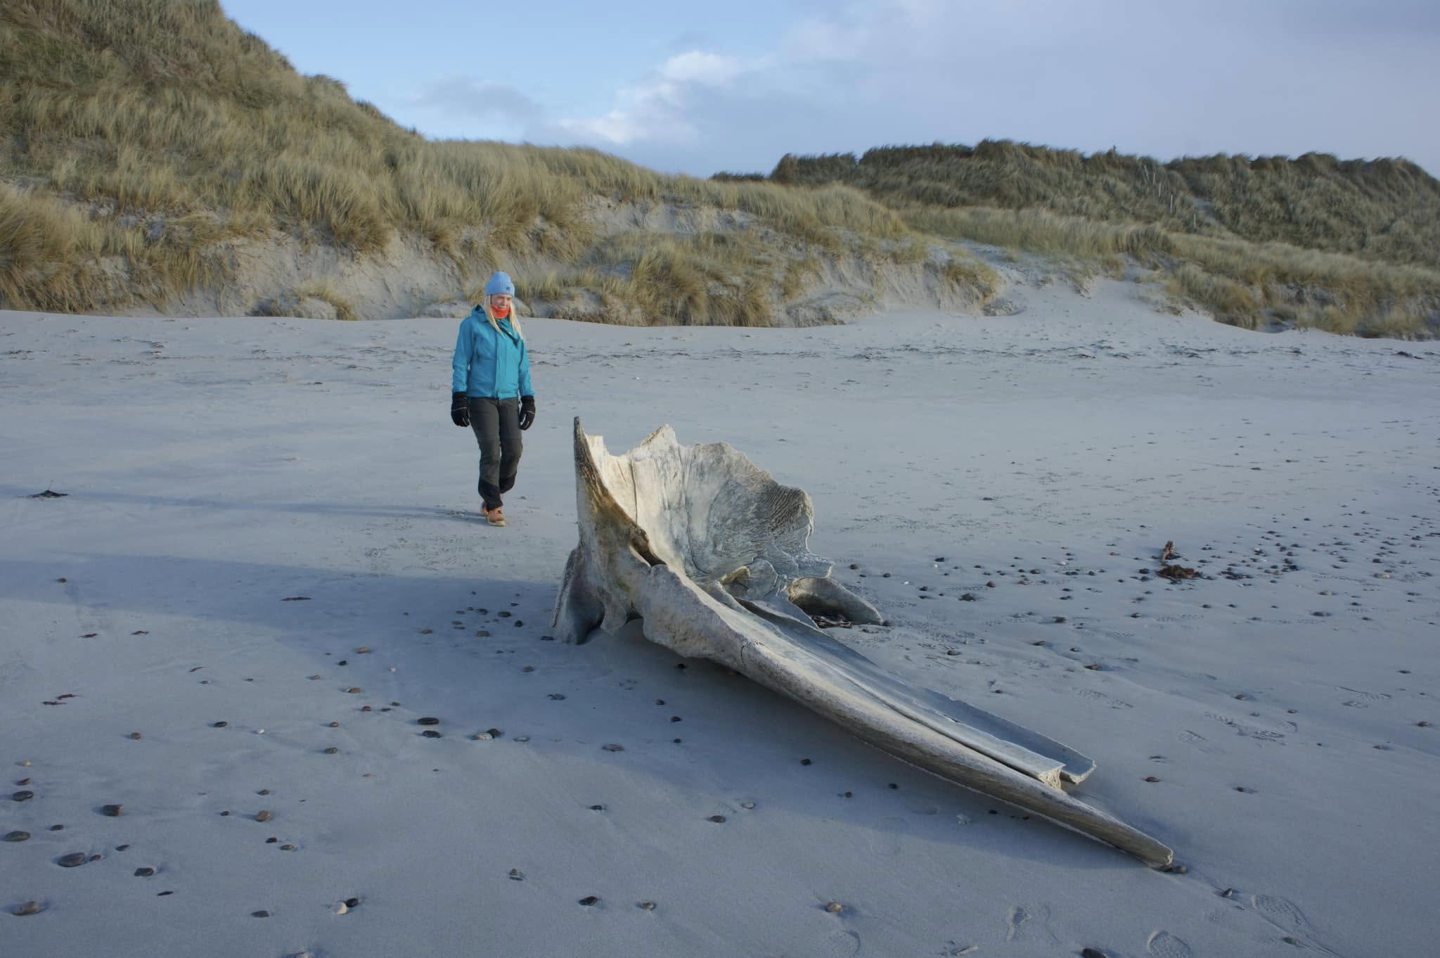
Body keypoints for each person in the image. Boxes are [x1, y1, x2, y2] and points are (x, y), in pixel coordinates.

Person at [450, 271, 536, 526]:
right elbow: (460, 363)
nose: (504, 303)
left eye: (508, 299)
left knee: (513, 450)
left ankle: (492, 494)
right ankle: (494, 506)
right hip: (480, 399)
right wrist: (459, 397)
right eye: (499, 298)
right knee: (491, 451)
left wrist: (528, 399)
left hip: (509, 398)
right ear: (489, 298)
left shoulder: (515, 330)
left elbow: (524, 368)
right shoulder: (472, 325)